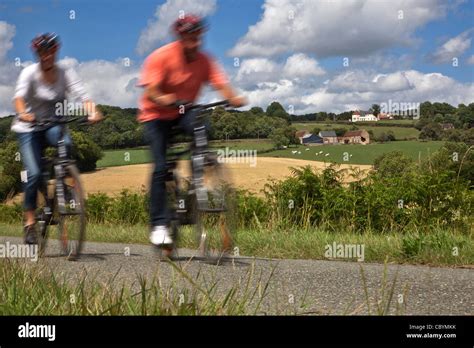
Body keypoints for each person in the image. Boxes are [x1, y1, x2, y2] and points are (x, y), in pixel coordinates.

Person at [137, 15, 246, 247]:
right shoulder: (161, 57)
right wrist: (165, 98)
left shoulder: (205, 60)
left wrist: (233, 97)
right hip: (156, 115)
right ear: (180, 37)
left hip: (183, 110)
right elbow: (151, 92)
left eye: (198, 37)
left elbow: (220, 84)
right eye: (189, 38)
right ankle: (158, 224)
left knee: (201, 124)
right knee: (160, 167)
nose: (194, 42)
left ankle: (201, 170)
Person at [12, 33, 103, 244]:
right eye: (43, 52)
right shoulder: (29, 73)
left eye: (51, 51)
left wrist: (93, 111)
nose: (47, 55)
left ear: (56, 51)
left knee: (67, 145)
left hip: (53, 125)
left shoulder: (65, 72)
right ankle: (30, 223)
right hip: (29, 127)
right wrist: (23, 113)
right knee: (33, 174)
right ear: (37, 54)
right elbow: (18, 97)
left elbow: (82, 94)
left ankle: (67, 190)